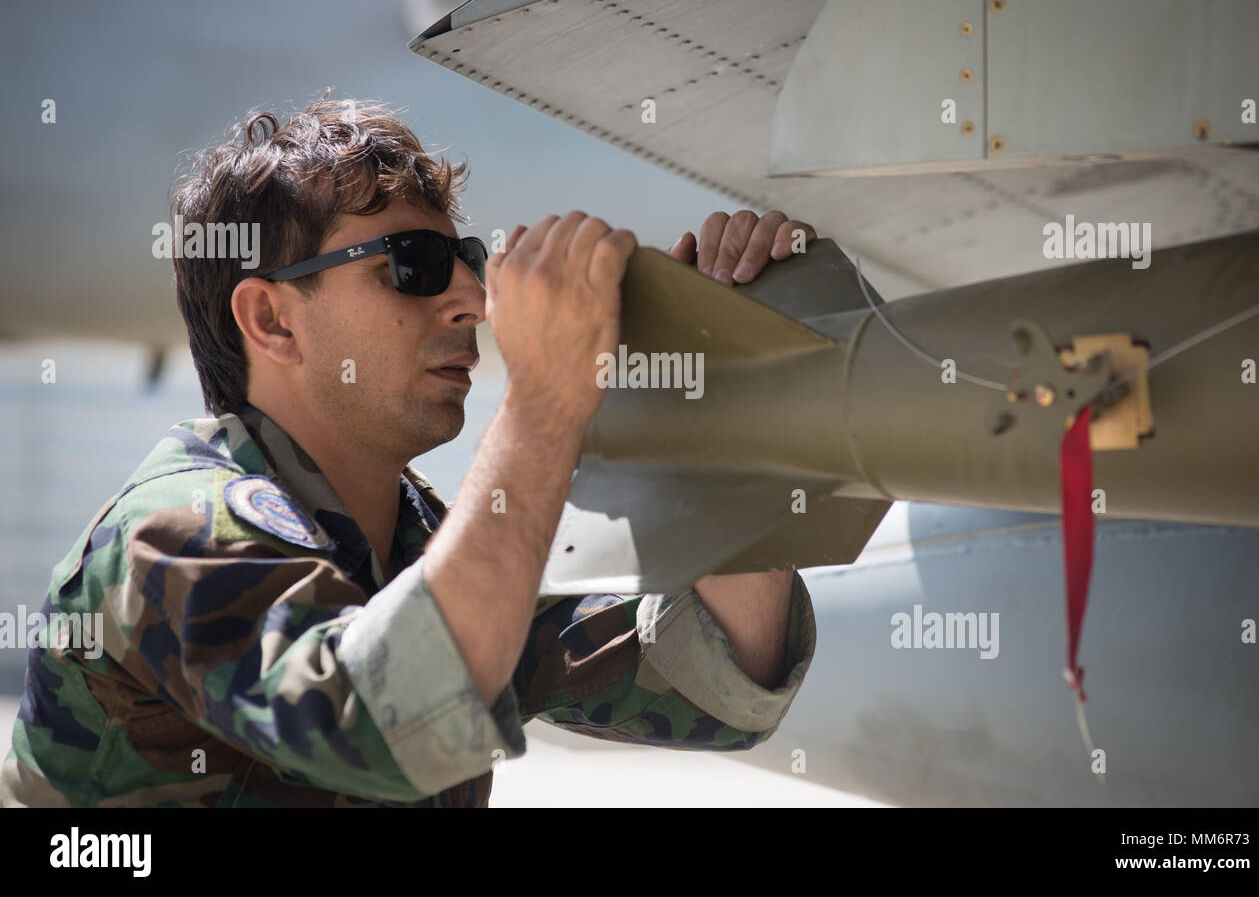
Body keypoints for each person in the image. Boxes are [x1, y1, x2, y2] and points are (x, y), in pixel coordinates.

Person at [1, 99, 819, 807]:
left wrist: (727, 403)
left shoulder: (423, 537)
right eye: (413, 266)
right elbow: (385, 722)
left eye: (463, 260)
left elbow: (717, 684)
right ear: (273, 321)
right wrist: (545, 399)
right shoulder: (175, 536)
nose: (473, 299)